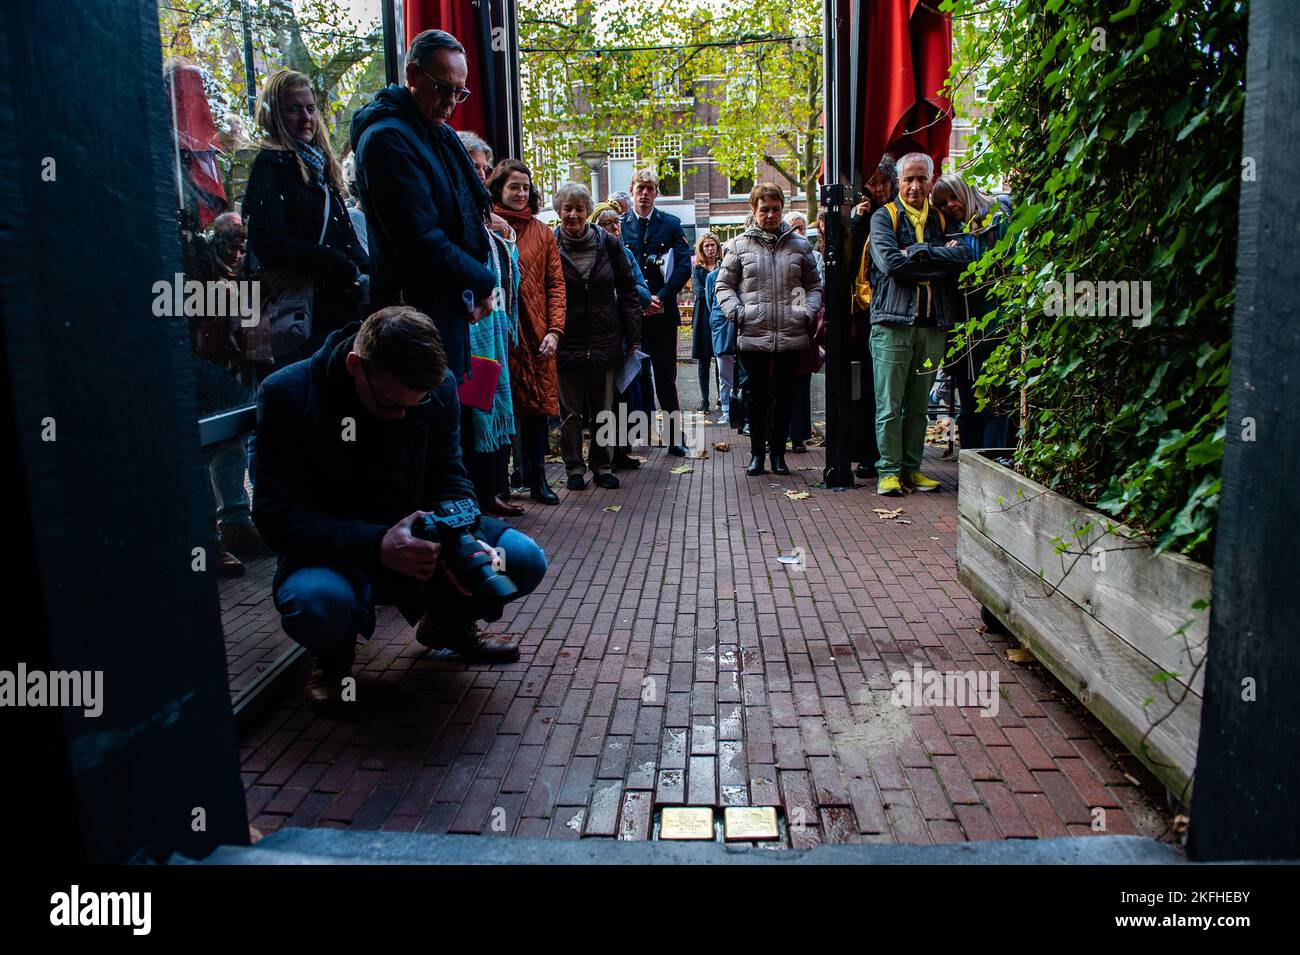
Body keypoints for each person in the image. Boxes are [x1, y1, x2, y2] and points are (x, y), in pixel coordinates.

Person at [252, 306, 549, 708]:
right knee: (316, 602)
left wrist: (457, 527)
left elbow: (452, 476)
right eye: (391, 405)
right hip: (338, 552)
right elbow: (276, 517)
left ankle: (448, 625)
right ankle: (334, 658)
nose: (401, 417)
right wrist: (377, 543)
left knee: (522, 560)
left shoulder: (438, 387)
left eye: (416, 406)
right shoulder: (286, 394)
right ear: (356, 365)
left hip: (426, 539)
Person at [351, 29, 496, 383]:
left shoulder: (433, 133)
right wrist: (485, 280)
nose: (450, 101)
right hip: (412, 321)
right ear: (413, 75)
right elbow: (422, 242)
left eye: (459, 92)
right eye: (442, 87)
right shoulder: (389, 139)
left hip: (439, 311)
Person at [243, 68, 369, 363]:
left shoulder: (320, 166)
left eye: (310, 108)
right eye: (293, 109)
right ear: (274, 116)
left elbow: (343, 234)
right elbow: (269, 242)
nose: (305, 118)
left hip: (337, 309)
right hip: (306, 315)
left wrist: (366, 269)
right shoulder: (271, 166)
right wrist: (337, 264)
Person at [868, 152, 972, 496]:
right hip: (892, 327)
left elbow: (964, 256)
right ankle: (888, 470)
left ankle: (912, 469)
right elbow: (890, 263)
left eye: (921, 179)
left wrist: (919, 251)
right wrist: (936, 255)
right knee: (889, 404)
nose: (915, 186)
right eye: (908, 179)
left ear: (931, 180)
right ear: (899, 182)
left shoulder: (942, 219)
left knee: (917, 405)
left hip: (932, 329)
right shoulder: (884, 218)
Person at [715, 183, 823, 477]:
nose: (771, 214)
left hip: (790, 333)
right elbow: (723, 286)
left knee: (785, 396)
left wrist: (806, 311)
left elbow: (813, 286)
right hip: (753, 332)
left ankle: (778, 455)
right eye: (764, 209)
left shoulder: (799, 246)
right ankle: (757, 455)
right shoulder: (738, 246)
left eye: (776, 209)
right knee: (757, 397)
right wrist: (737, 312)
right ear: (754, 210)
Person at [551, 183, 642, 491]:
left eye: (579, 209)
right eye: (567, 209)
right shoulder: (551, 244)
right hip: (567, 338)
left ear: (588, 211)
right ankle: (574, 468)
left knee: (604, 410)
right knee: (571, 413)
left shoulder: (609, 244)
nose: (573, 215)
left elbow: (629, 290)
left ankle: (602, 465)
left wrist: (633, 334)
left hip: (605, 337)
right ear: (559, 211)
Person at [486, 158, 566, 504]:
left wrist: (554, 330)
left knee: (535, 412)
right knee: (498, 410)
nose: (521, 193)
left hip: (536, 337)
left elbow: (556, 285)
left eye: (525, 187)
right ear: (499, 189)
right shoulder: (484, 224)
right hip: (498, 336)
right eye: (513, 187)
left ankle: (538, 481)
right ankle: (499, 486)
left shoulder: (542, 231)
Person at [931, 173, 1016, 451]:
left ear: (965, 191)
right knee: (968, 406)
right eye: (943, 203)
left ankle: (993, 463)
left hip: (995, 328)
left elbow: (1000, 266)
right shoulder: (952, 230)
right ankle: (969, 471)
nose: (950, 205)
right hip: (963, 332)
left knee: (996, 404)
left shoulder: (995, 217)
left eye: (953, 197)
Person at [620, 167, 691, 456]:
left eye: (651, 188)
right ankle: (632, 436)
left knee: (665, 377)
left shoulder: (671, 224)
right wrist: (641, 299)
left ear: (657, 192)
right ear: (632, 190)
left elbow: (684, 265)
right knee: (632, 377)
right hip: (631, 315)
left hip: (662, 314)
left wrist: (659, 298)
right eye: (641, 188)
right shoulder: (621, 225)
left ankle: (675, 436)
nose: (645, 193)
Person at [847, 155, 898, 479]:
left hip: (891, 309)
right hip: (864, 313)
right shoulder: (863, 219)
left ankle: (890, 453)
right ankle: (866, 452)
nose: (878, 188)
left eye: (883, 182)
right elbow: (846, 263)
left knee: (889, 389)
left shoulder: (899, 216)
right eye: (872, 183)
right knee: (864, 385)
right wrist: (855, 222)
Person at [592, 200, 652, 471]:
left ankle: (622, 451)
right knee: (602, 398)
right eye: (607, 223)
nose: (615, 228)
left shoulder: (626, 256)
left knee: (625, 395)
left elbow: (642, 292)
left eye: (617, 223)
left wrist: (621, 291)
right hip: (597, 336)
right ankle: (603, 454)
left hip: (624, 335)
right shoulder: (590, 253)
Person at [784, 211, 819, 453]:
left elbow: (817, 286)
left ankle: (798, 435)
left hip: (804, 326)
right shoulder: (782, 253)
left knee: (801, 383)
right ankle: (780, 433)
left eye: (801, 228)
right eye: (793, 227)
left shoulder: (812, 255)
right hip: (782, 325)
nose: (798, 232)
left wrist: (808, 311)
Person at [691, 231, 721, 413]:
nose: (710, 248)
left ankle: (720, 398)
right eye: (706, 246)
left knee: (720, 359)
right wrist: (719, 295)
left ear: (718, 247)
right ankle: (704, 399)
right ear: (702, 249)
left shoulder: (723, 266)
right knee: (704, 359)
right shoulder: (697, 269)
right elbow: (699, 292)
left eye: (713, 245)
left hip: (719, 315)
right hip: (702, 315)